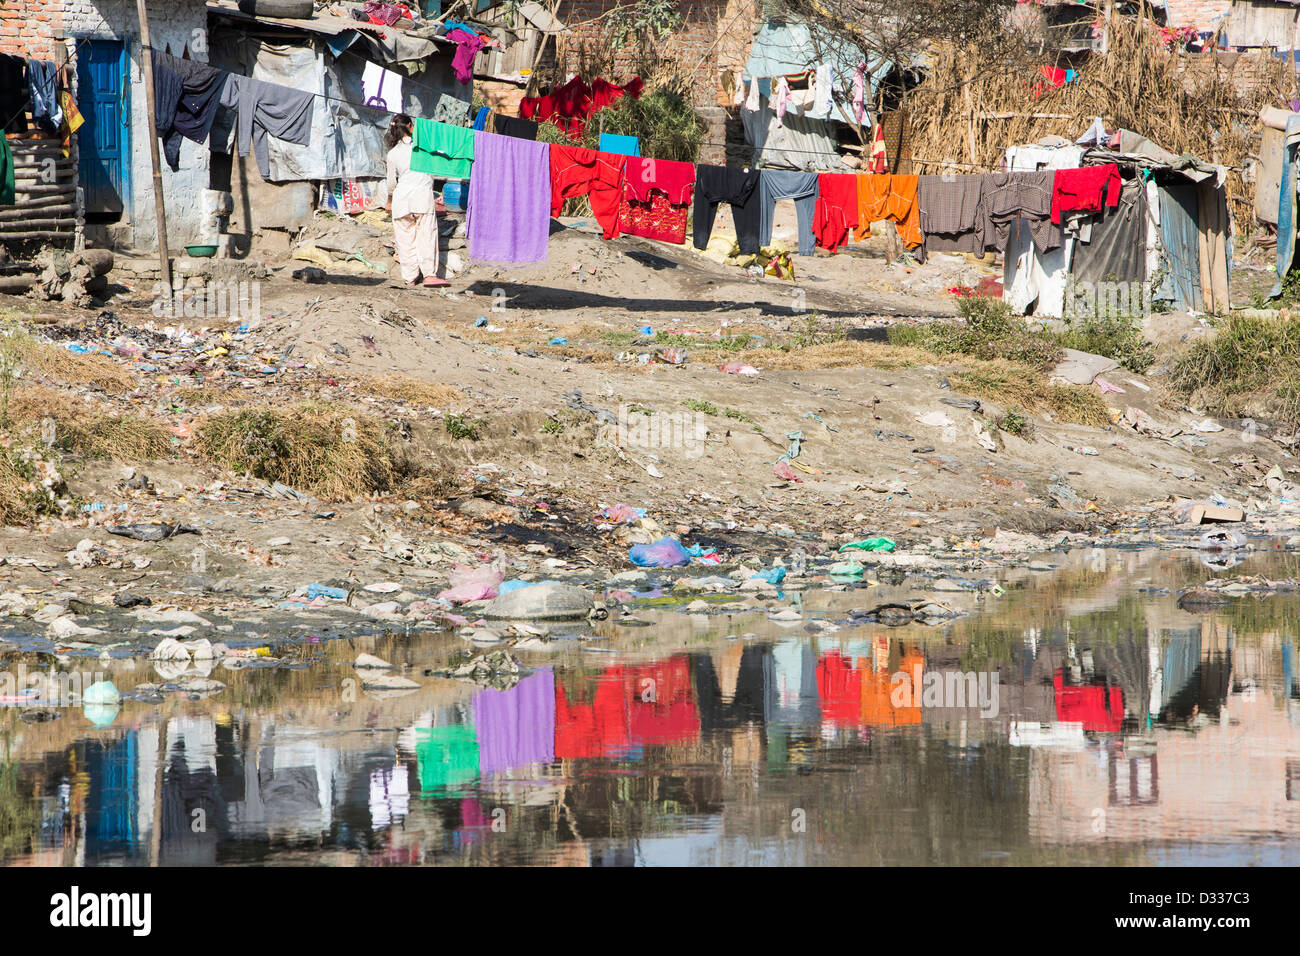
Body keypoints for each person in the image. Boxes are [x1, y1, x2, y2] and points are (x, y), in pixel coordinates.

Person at [385, 114, 447, 287]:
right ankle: (429, 275)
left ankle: (410, 278)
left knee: (405, 240)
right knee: (426, 236)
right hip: (422, 198)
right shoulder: (423, 148)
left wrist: (389, 201)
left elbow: (391, 183)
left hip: (401, 200)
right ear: (411, 126)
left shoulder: (392, 153)